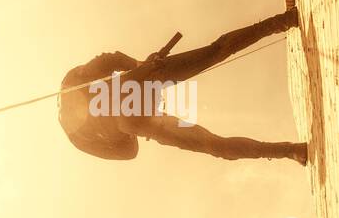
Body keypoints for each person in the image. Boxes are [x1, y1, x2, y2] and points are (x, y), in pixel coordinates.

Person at [57, 9, 307, 164]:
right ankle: (283, 20)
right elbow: (110, 60)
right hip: (139, 83)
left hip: (138, 111)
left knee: (214, 146)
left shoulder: (78, 135)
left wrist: (129, 126)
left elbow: (128, 152)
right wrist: (141, 65)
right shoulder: (69, 85)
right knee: (216, 51)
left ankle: (291, 151)